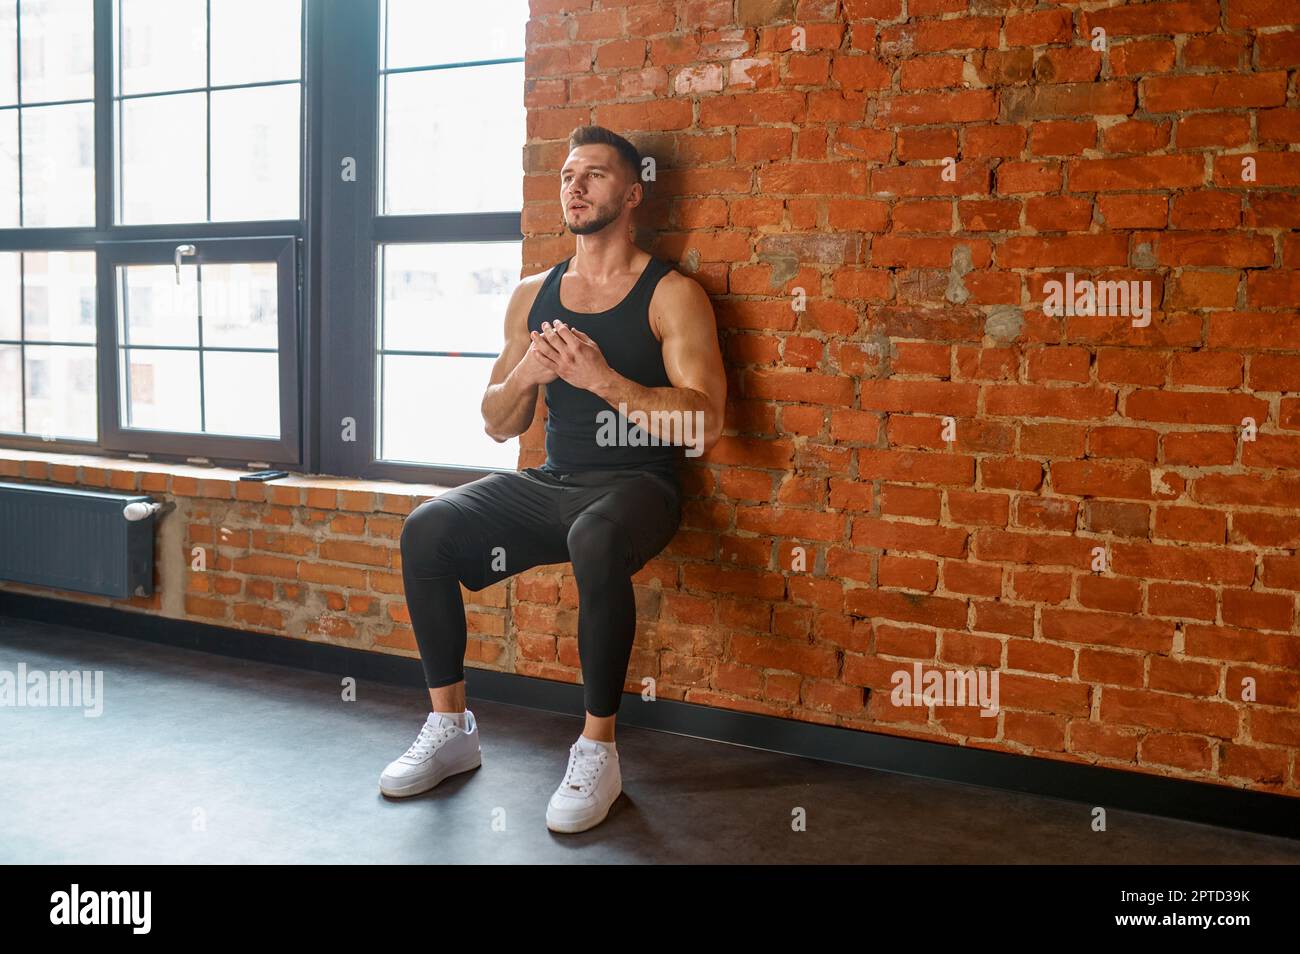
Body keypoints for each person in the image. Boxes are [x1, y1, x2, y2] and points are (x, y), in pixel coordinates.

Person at [381, 125, 727, 833]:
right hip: (554, 480)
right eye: (569, 174)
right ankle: (452, 729)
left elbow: (706, 424)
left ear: (631, 193)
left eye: (595, 175)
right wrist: (529, 374)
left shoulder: (671, 294)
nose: (575, 186)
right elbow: (496, 423)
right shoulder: (531, 295)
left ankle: (598, 750)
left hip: (640, 487)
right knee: (429, 529)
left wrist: (602, 379)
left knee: (594, 537)